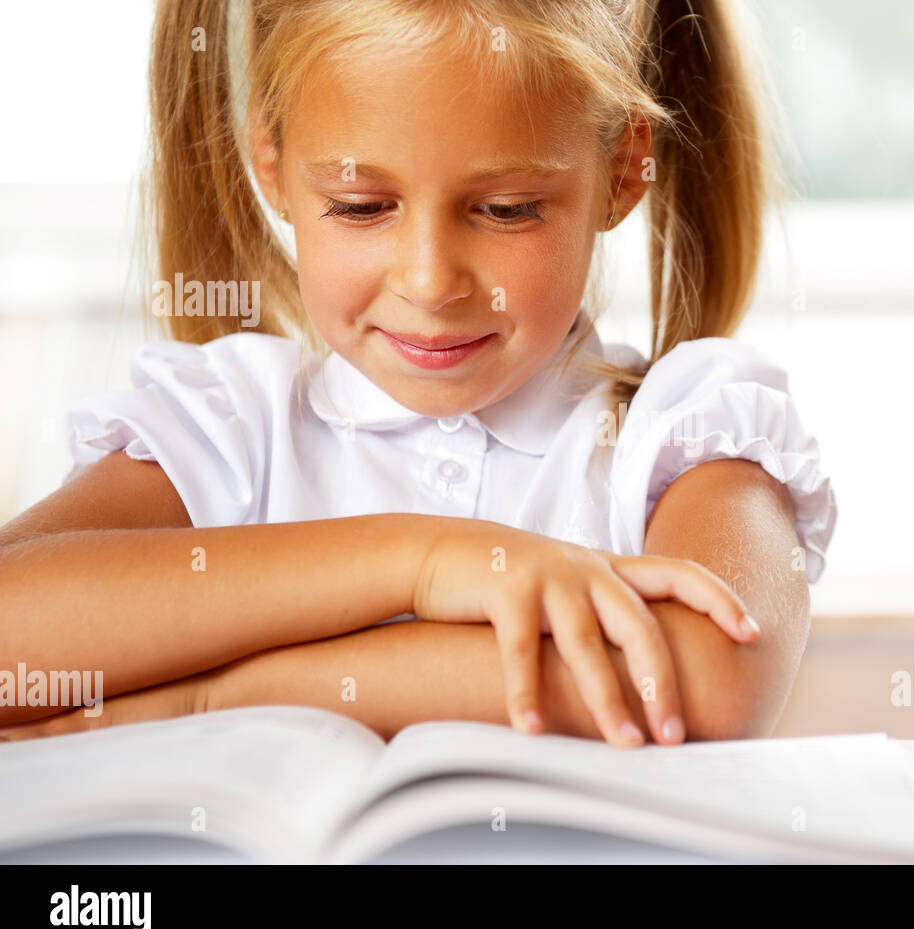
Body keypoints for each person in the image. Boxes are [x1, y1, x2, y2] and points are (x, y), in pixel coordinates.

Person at [0, 0, 836, 747]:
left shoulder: (687, 431)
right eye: (362, 207)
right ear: (272, 166)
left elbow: (711, 676)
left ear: (621, 172)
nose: (431, 281)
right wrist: (420, 561)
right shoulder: (230, 427)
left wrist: (230, 693)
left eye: (507, 209)